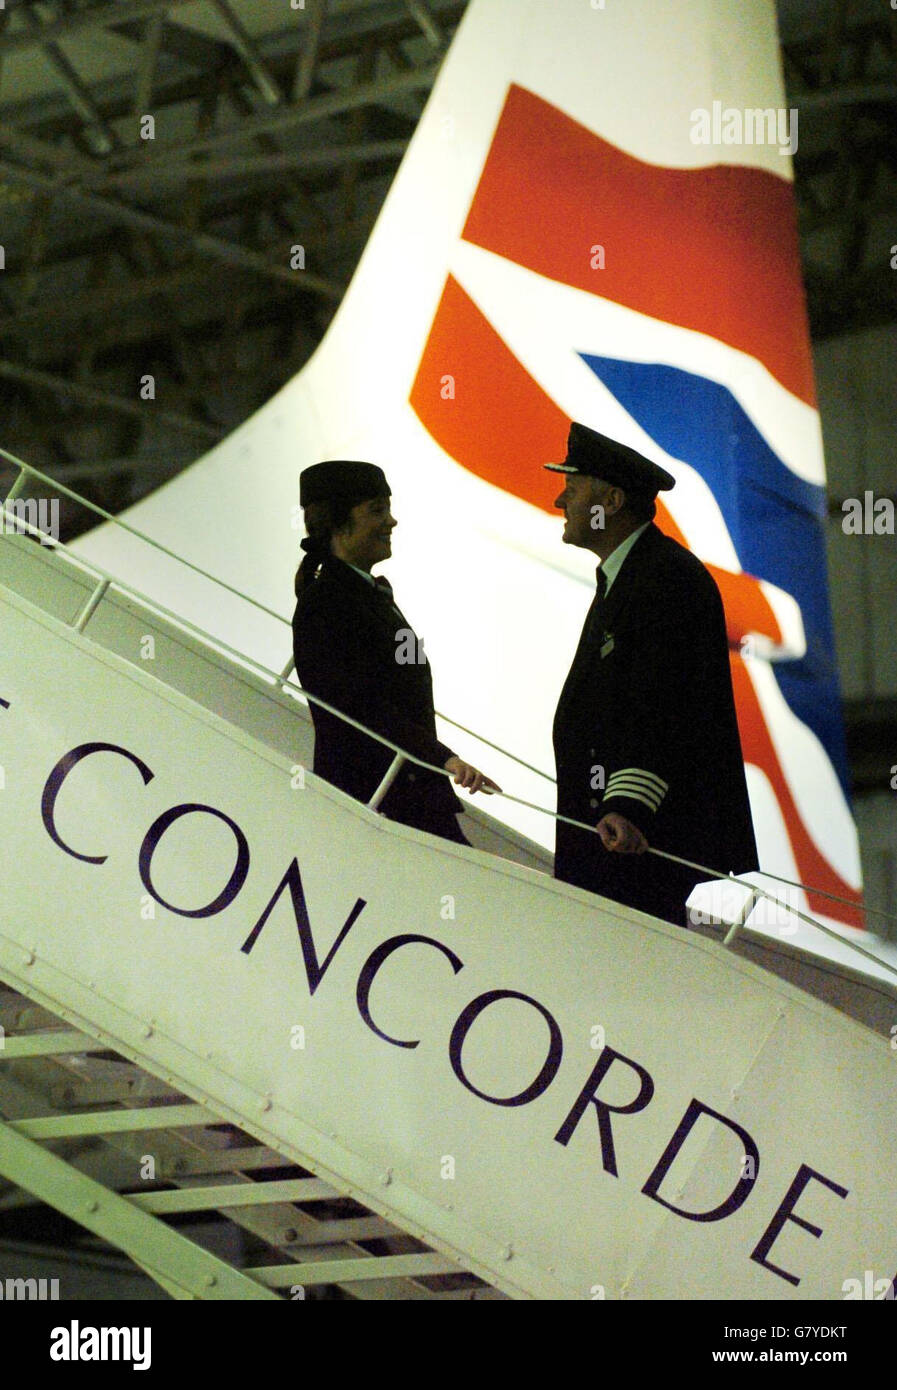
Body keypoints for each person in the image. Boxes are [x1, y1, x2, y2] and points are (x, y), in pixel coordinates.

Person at [547, 421, 758, 927]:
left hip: (631, 839)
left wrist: (628, 806)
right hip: (610, 833)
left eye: (572, 490)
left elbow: (665, 702)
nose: (560, 501)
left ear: (612, 502)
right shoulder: (630, 575)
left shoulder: (666, 578)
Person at [292, 459, 499, 843]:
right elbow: (359, 709)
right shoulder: (326, 604)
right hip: (381, 801)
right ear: (339, 523)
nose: (391, 522)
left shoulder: (368, 595)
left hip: (409, 794)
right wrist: (443, 758)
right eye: (377, 510)